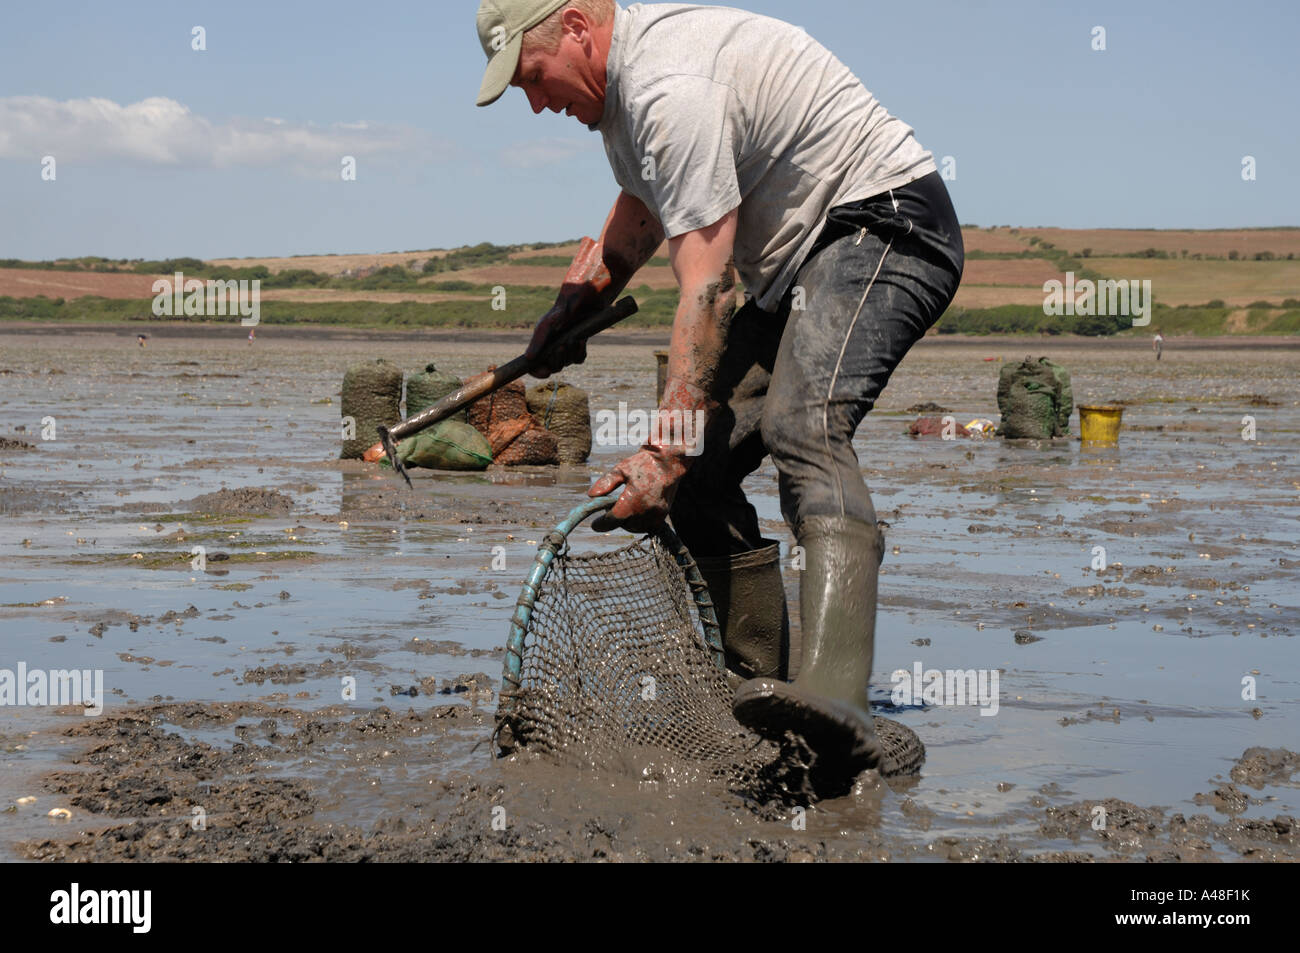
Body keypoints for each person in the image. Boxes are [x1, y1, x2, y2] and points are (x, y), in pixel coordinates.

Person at [475, 0, 964, 788]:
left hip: (886, 225)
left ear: (575, 27)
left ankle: (836, 701)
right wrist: (576, 306)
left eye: (533, 79)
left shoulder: (670, 84)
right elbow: (640, 214)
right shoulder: (626, 111)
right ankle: (752, 688)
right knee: (701, 473)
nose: (536, 103)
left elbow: (707, 288)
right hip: (797, 270)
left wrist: (663, 447)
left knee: (804, 426)